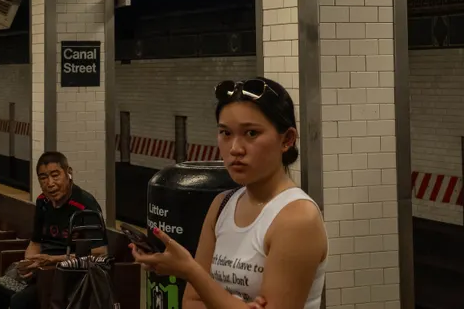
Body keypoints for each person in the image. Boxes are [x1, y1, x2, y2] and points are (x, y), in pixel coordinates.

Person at [131, 77, 327, 309]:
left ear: (287, 140)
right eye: (225, 133)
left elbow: (201, 292)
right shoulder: (222, 206)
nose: (235, 149)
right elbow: (191, 303)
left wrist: (191, 271)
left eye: (251, 133)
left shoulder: (296, 218)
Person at [0, 151, 106, 309]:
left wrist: (52, 260)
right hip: (41, 271)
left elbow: (100, 254)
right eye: (43, 178)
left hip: (69, 276)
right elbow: (35, 242)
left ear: (68, 173)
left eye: (55, 175)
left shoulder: (85, 205)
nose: (50, 183)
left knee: (21, 302)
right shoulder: (43, 202)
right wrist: (30, 262)